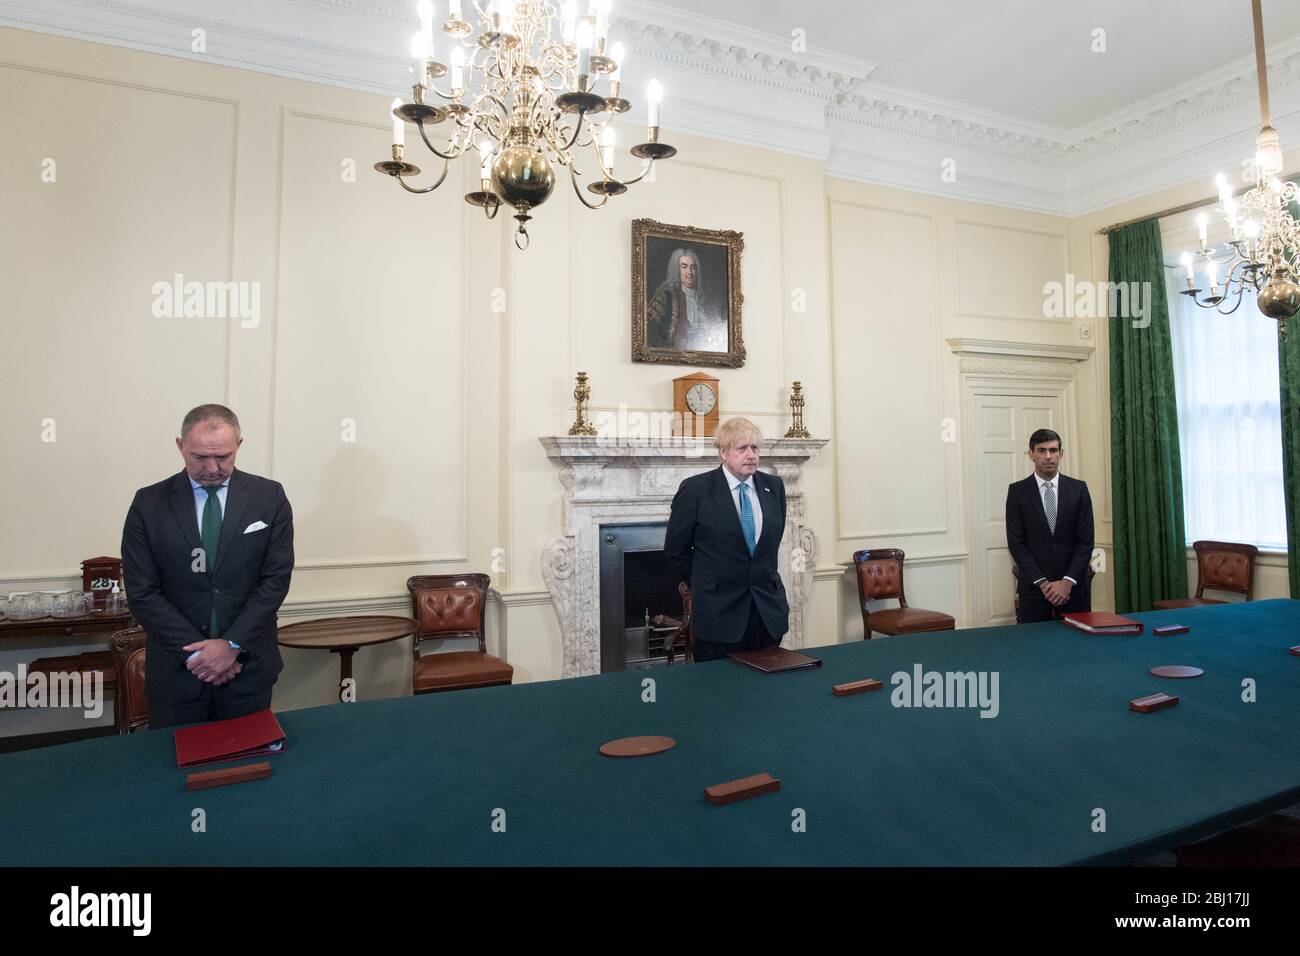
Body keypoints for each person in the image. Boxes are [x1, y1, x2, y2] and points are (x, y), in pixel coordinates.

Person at [121, 404, 294, 727]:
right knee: (177, 770)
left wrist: (231, 646)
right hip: (177, 673)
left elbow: (275, 581)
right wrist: (203, 656)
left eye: (224, 456)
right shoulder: (148, 503)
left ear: (239, 445)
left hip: (249, 669)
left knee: (250, 767)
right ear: (180, 445)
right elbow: (143, 592)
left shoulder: (269, 497)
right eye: (200, 457)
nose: (213, 468)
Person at [664, 417, 789, 661]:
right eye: (742, 448)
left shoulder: (774, 487)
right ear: (723, 452)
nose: (751, 455)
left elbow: (769, 544)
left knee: (766, 693)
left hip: (766, 615)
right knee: (719, 694)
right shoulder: (695, 491)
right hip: (718, 616)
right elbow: (674, 550)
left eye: (755, 448)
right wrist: (705, 582)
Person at [1005, 428, 1094, 623]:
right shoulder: (1017, 492)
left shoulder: (1079, 490)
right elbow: (1016, 543)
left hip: (1074, 589)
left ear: (1061, 454)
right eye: (1042, 450)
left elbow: (1086, 541)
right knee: (1035, 649)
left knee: (1077, 648)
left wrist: (1067, 582)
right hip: (1035, 590)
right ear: (1031, 454)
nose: (1048, 456)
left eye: (1053, 450)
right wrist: (1044, 583)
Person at [646, 247, 728, 352]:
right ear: (676, 270)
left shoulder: (703, 301)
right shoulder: (666, 296)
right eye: (684, 267)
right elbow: (648, 326)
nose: (690, 272)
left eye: (693, 267)